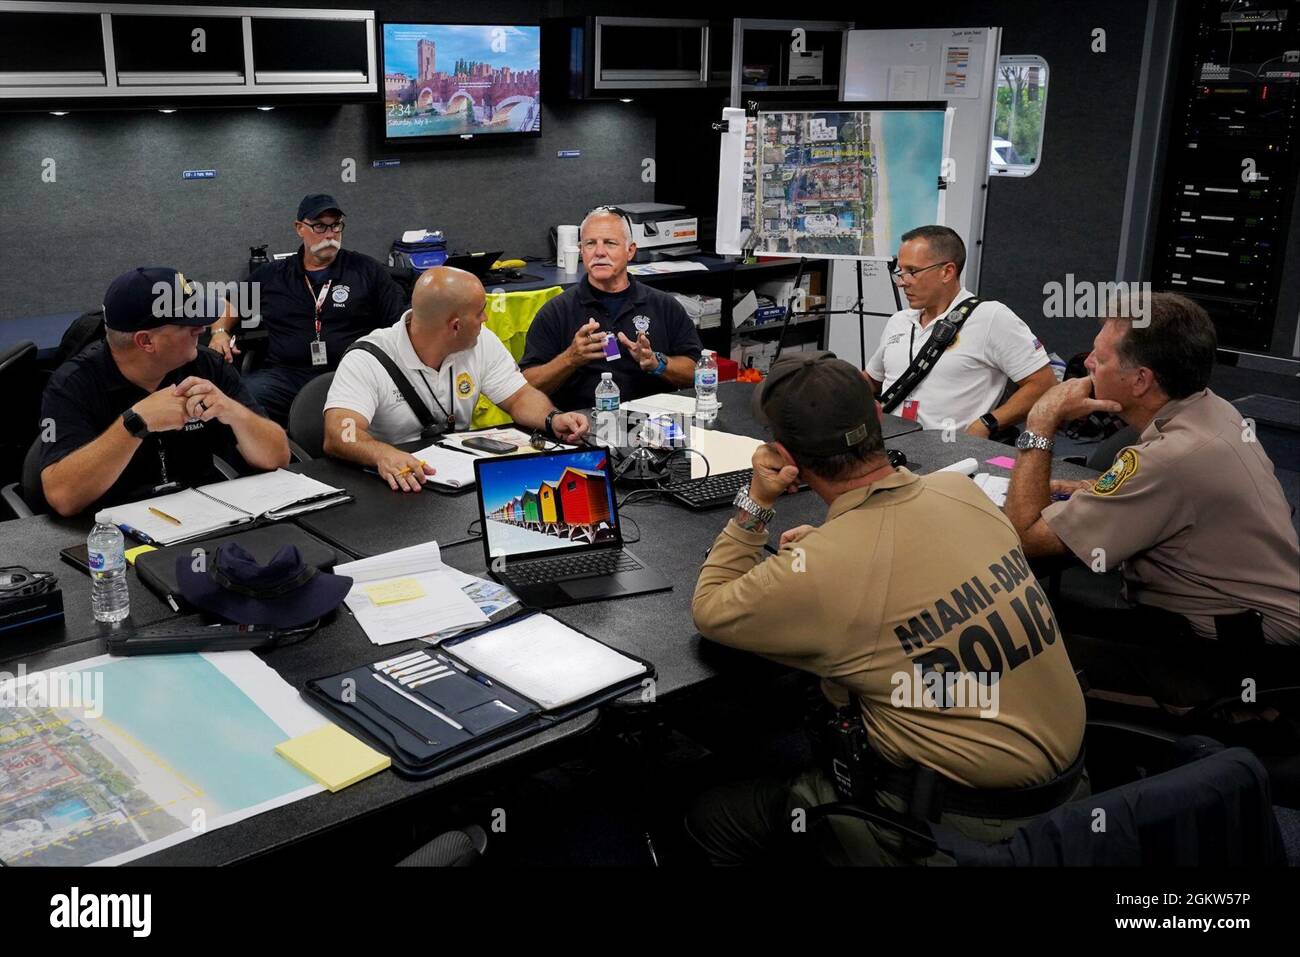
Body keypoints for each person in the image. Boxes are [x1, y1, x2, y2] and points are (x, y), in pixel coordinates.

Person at [688, 353, 1086, 865]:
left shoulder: (825, 569)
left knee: (709, 816)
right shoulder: (961, 490)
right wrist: (833, 547)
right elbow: (915, 563)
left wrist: (756, 501)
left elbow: (711, 606)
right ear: (878, 416)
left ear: (784, 456)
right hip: (1073, 795)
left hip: (962, 830)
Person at [1004, 293, 1299, 700]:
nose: (1087, 361)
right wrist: (1099, 489)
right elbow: (1181, 495)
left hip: (1231, 655)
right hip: (1256, 624)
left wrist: (1041, 419)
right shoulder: (1213, 410)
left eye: (1101, 358)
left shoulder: (1168, 461)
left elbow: (1026, 539)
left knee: (1020, 653)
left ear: (1141, 380)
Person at [40, 267, 289, 517]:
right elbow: (62, 497)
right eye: (188, 324)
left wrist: (233, 412)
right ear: (146, 341)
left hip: (201, 517)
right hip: (110, 530)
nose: (202, 328)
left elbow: (278, 457)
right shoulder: (73, 384)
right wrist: (136, 422)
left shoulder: (207, 366)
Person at [323, 266, 589, 492]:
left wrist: (552, 418)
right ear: (455, 325)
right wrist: (381, 454)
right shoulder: (368, 358)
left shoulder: (480, 342)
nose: (485, 319)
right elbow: (340, 432)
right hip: (394, 486)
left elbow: (519, 395)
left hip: (456, 478)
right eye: (480, 312)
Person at [207, 193, 406, 424]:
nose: (330, 234)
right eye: (320, 226)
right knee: (241, 402)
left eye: (336, 225)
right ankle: (273, 458)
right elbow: (231, 304)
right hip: (286, 375)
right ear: (299, 228)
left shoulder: (366, 270)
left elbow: (399, 323)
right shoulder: (274, 274)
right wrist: (219, 333)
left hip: (353, 372)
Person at [864, 225, 1056, 435]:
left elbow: (1043, 384)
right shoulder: (898, 321)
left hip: (951, 454)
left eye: (912, 271)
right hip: (891, 443)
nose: (902, 282)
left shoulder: (991, 317)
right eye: (900, 271)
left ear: (947, 272)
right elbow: (873, 379)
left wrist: (987, 423)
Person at [519, 207, 703, 412]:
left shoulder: (664, 306)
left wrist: (657, 363)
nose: (599, 252)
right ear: (582, 251)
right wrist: (570, 358)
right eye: (590, 243)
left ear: (630, 251)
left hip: (653, 426)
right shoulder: (556, 312)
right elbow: (524, 388)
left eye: (610, 243)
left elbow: (698, 373)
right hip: (580, 429)